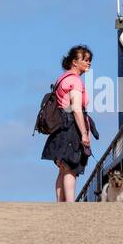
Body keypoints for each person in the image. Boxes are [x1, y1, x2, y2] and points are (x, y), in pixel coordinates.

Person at [42, 46, 97, 202]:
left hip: (60, 127)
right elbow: (77, 109)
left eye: (89, 60)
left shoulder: (62, 78)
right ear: (74, 62)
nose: (89, 63)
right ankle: (70, 205)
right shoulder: (75, 81)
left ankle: (61, 204)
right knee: (71, 169)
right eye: (85, 60)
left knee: (63, 168)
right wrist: (84, 134)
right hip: (71, 128)